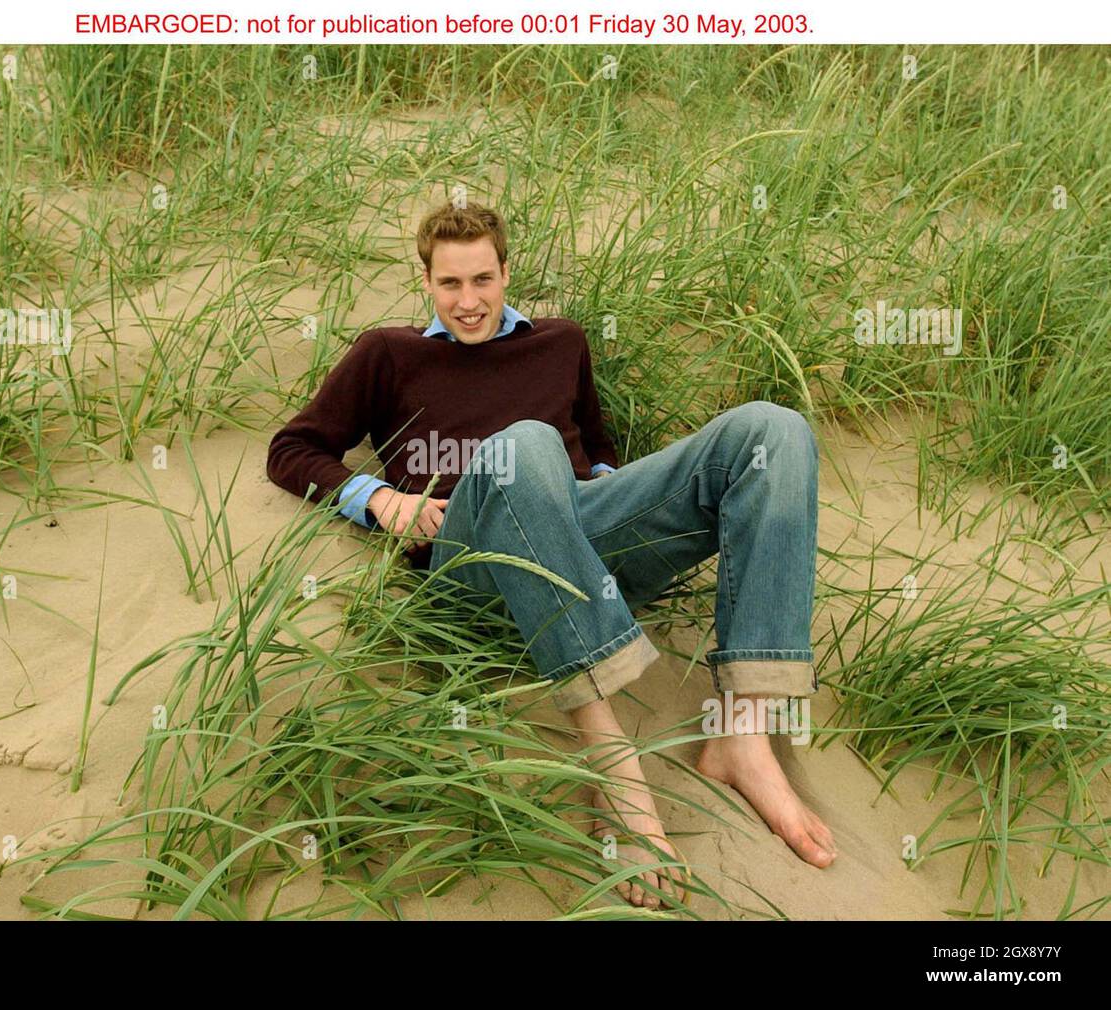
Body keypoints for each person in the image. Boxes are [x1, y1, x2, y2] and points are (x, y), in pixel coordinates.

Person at [266, 201, 837, 909]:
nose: (468, 302)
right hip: (472, 567)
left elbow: (595, 445)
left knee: (772, 431)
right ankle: (612, 764)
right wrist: (384, 501)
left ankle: (743, 739)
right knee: (523, 444)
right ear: (427, 283)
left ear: (507, 272)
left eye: (483, 279)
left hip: (583, 544)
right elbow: (291, 449)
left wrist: (605, 487)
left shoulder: (562, 342)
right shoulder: (387, 354)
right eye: (450, 284)